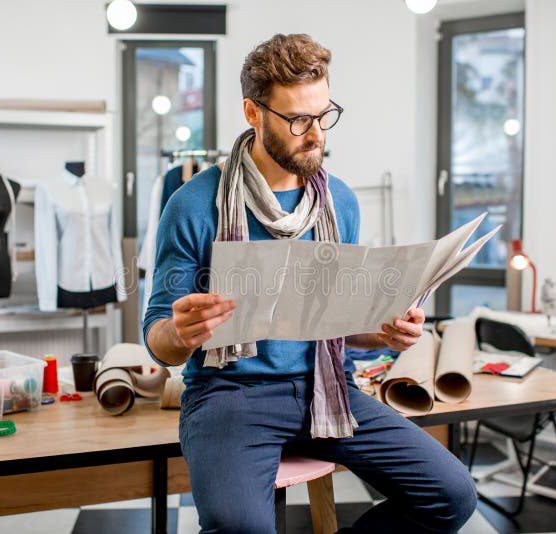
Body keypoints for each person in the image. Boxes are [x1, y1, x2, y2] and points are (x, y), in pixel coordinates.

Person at [144, 33, 477, 534]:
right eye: (298, 119)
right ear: (253, 114)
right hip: (230, 396)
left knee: (451, 496)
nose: (316, 133)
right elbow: (158, 341)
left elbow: (345, 325)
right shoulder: (192, 204)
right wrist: (181, 333)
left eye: (324, 115)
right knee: (239, 528)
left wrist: (383, 331)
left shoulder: (340, 201)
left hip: (327, 388)